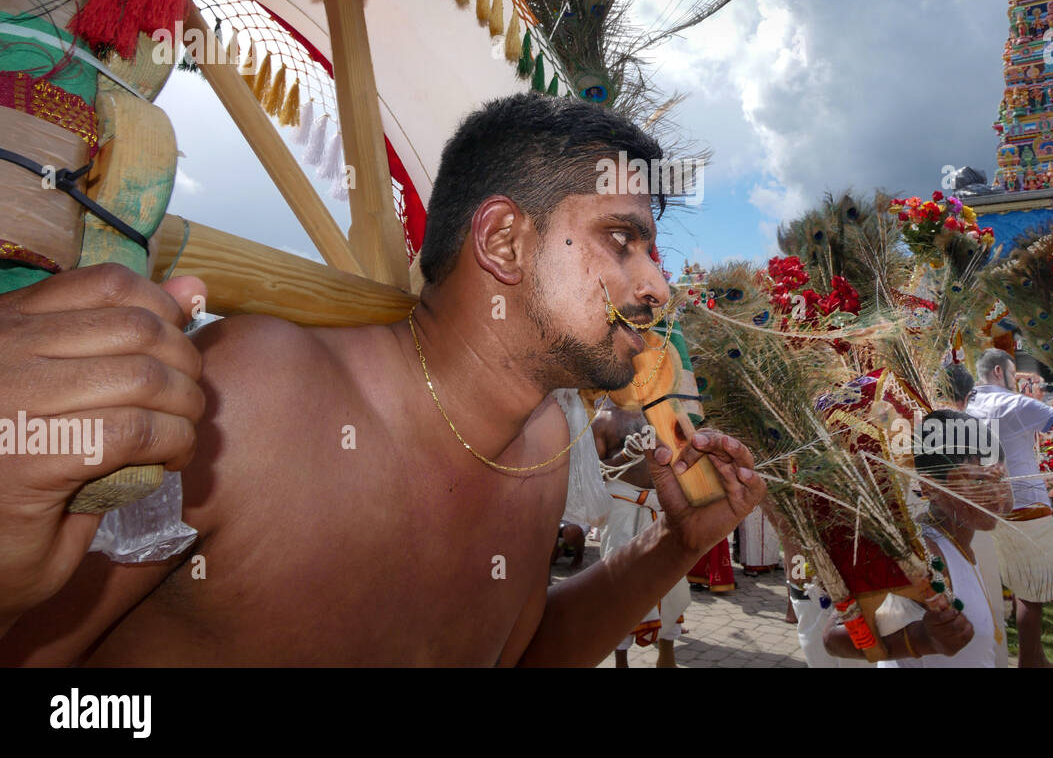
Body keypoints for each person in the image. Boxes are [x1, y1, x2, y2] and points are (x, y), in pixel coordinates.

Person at [0, 92, 764, 666]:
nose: (658, 287)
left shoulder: (541, 450)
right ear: (503, 239)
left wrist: (670, 546)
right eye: (622, 239)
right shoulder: (254, 396)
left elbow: (517, 657)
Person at [824, 409, 1013, 666]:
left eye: (1001, 477)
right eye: (979, 482)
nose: (996, 493)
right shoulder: (922, 552)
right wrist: (921, 639)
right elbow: (834, 636)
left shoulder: (958, 543)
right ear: (929, 487)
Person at [964, 348, 1053, 667]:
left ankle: (1037, 657)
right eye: (1011, 372)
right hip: (1026, 506)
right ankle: (1028, 662)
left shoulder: (969, 403)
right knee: (1031, 594)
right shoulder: (1013, 403)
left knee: (1019, 585)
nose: (1015, 379)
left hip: (993, 507)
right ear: (998, 371)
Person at [592, 399, 690, 668]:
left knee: (670, 579)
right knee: (620, 581)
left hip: (663, 506)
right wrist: (626, 455)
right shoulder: (603, 419)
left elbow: (686, 452)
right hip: (622, 508)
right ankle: (621, 660)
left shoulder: (667, 409)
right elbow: (595, 473)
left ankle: (667, 653)